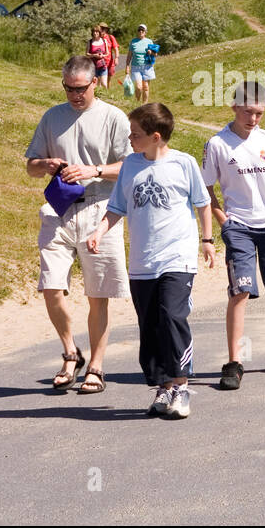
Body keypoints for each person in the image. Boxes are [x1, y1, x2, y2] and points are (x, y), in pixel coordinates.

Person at [87, 103, 214, 419]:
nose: (131, 139)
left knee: (171, 318)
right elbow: (117, 207)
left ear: (156, 136)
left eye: (136, 134)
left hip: (178, 259)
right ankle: (163, 387)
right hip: (142, 262)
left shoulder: (184, 164)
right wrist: (99, 231)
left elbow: (203, 203)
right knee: (150, 325)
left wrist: (208, 241)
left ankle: (181, 386)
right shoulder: (130, 165)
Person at [24, 56, 131, 394]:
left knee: (98, 294)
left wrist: (93, 170)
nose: (74, 95)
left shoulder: (113, 117)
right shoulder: (52, 117)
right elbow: (30, 166)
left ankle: (96, 367)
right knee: (51, 287)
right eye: (68, 89)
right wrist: (46, 163)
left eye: (80, 89)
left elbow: (130, 165)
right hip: (58, 208)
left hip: (101, 208)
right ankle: (71, 351)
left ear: (95, 83)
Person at [200, 80, 265, 390]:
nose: (253, 119)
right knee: (240, 291)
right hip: (239, 226)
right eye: (247, 112)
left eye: (259, 113)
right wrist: (222, 219)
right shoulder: (217, 144)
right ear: (234, 107)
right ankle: (234, 361)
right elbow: (205, 188)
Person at [125, 24, 160, 102]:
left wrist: (151, 52)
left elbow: (156, 54)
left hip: (147, 66)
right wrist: (127, 66)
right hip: (136, 67)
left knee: (146, 87)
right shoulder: (133, 42)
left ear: (145, 32)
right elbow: (129, 55)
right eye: (139, 30)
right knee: (138, 87)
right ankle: (137, 103)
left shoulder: (149, 41)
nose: (141, 31)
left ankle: (145, 105)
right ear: (137, 32)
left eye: (142, 30)